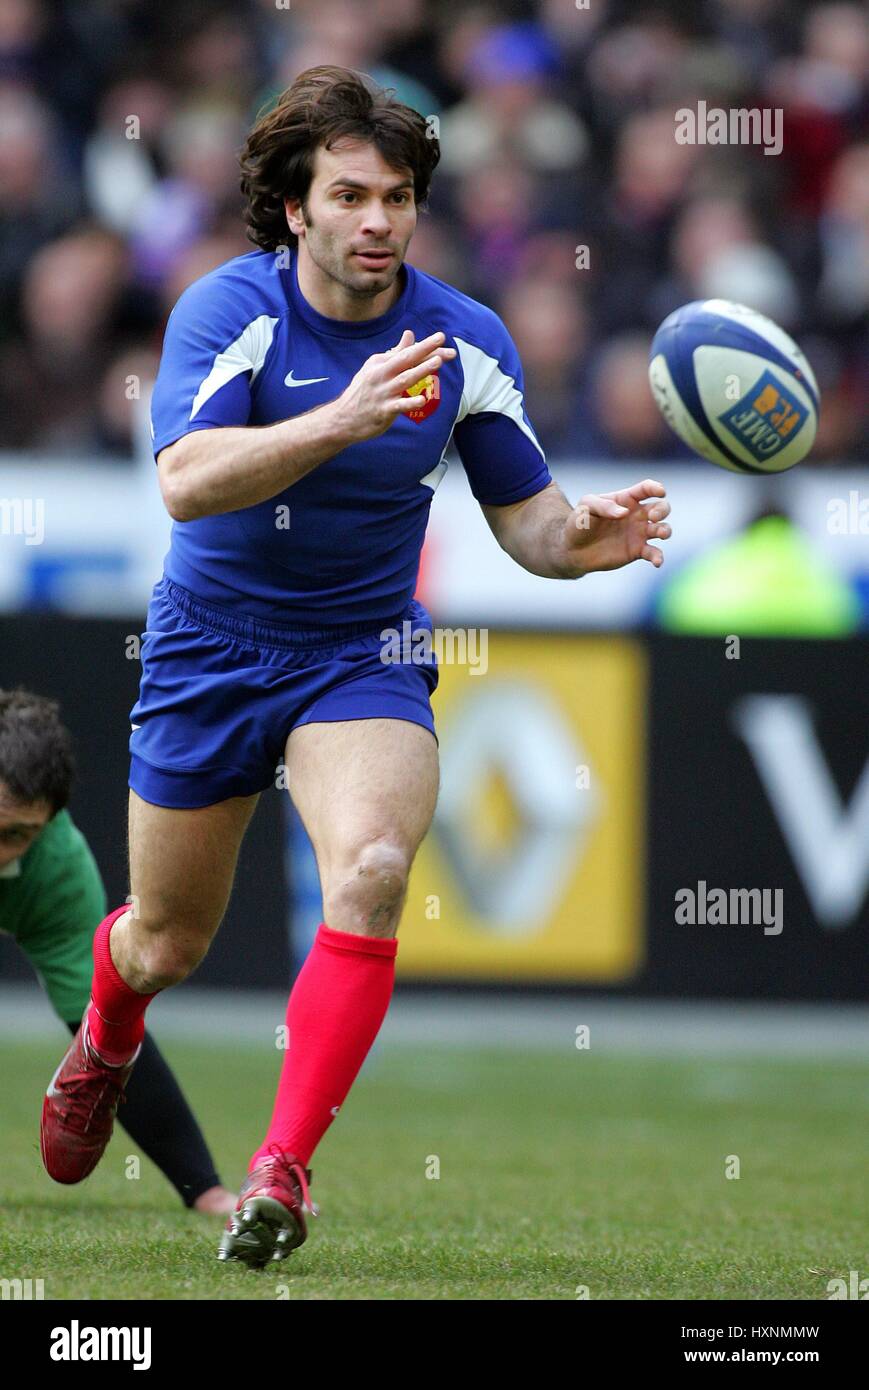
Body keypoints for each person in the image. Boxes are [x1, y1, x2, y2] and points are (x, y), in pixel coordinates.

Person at [40, 65, 672, 1268]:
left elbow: (526, 522)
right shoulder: (228, 312)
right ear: (296, 209)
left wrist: (581, 543)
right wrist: (340, 416)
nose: (377, 219)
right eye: (349, 195)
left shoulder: (465, 338)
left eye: (397, 197)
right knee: (164, 942)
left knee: (374, 868)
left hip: (361, 651)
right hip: (209, 648)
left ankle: (281, 1168)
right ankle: (109, 1033)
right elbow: (182, 479)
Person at [0, 687, 235, 1214]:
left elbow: (105, 1039)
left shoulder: (58, 873)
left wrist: (204, 1188)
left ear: (51, 821)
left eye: (17, 833)